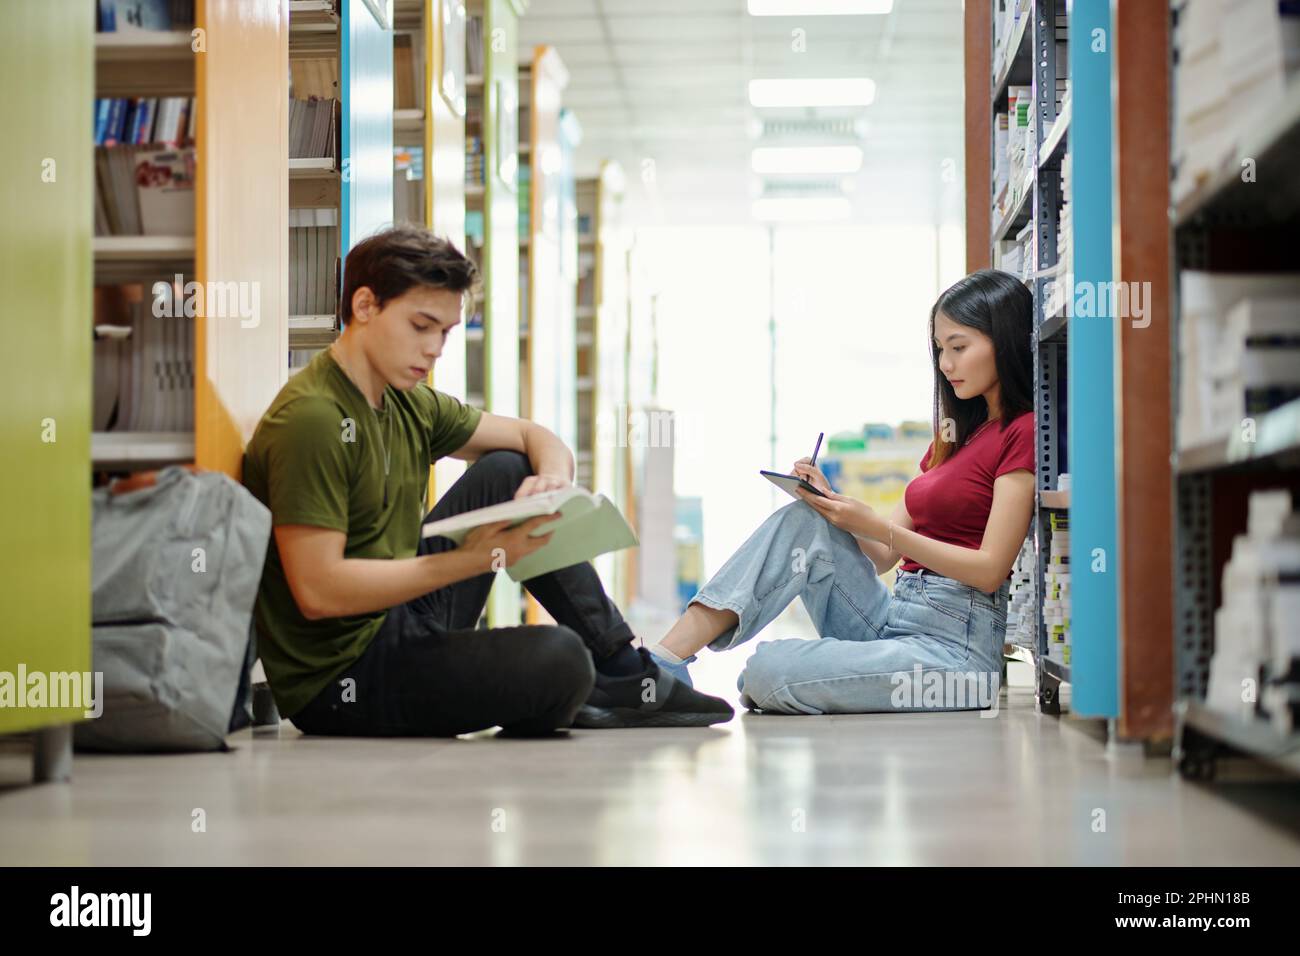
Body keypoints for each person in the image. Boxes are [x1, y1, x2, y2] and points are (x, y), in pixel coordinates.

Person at [241, 224, 733, 736]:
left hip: (402, 614)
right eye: (421, 325)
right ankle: (576, 683)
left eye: (445, 333)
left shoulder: (405, 399)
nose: (434, 349)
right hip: (344, 675)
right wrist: (477, 558)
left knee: (509, 467)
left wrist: (552, 482)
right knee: (559, 657)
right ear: (364, 305)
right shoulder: (314, 418)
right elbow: (320, 591)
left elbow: (531, 435)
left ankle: (622, 670)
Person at [649, 269, 1037, 715]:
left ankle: (789, 675)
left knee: (766, 670)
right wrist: (833, 505)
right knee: (805, 522)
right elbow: (885, 556)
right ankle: (663, 663)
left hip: (955, 653)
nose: (945, 364)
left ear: (1002, 341)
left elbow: (990, 570)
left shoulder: (1021, 432)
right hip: (895, 618)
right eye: (939, 350)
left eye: (959, 347)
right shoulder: (953, 437)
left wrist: (879, 528)